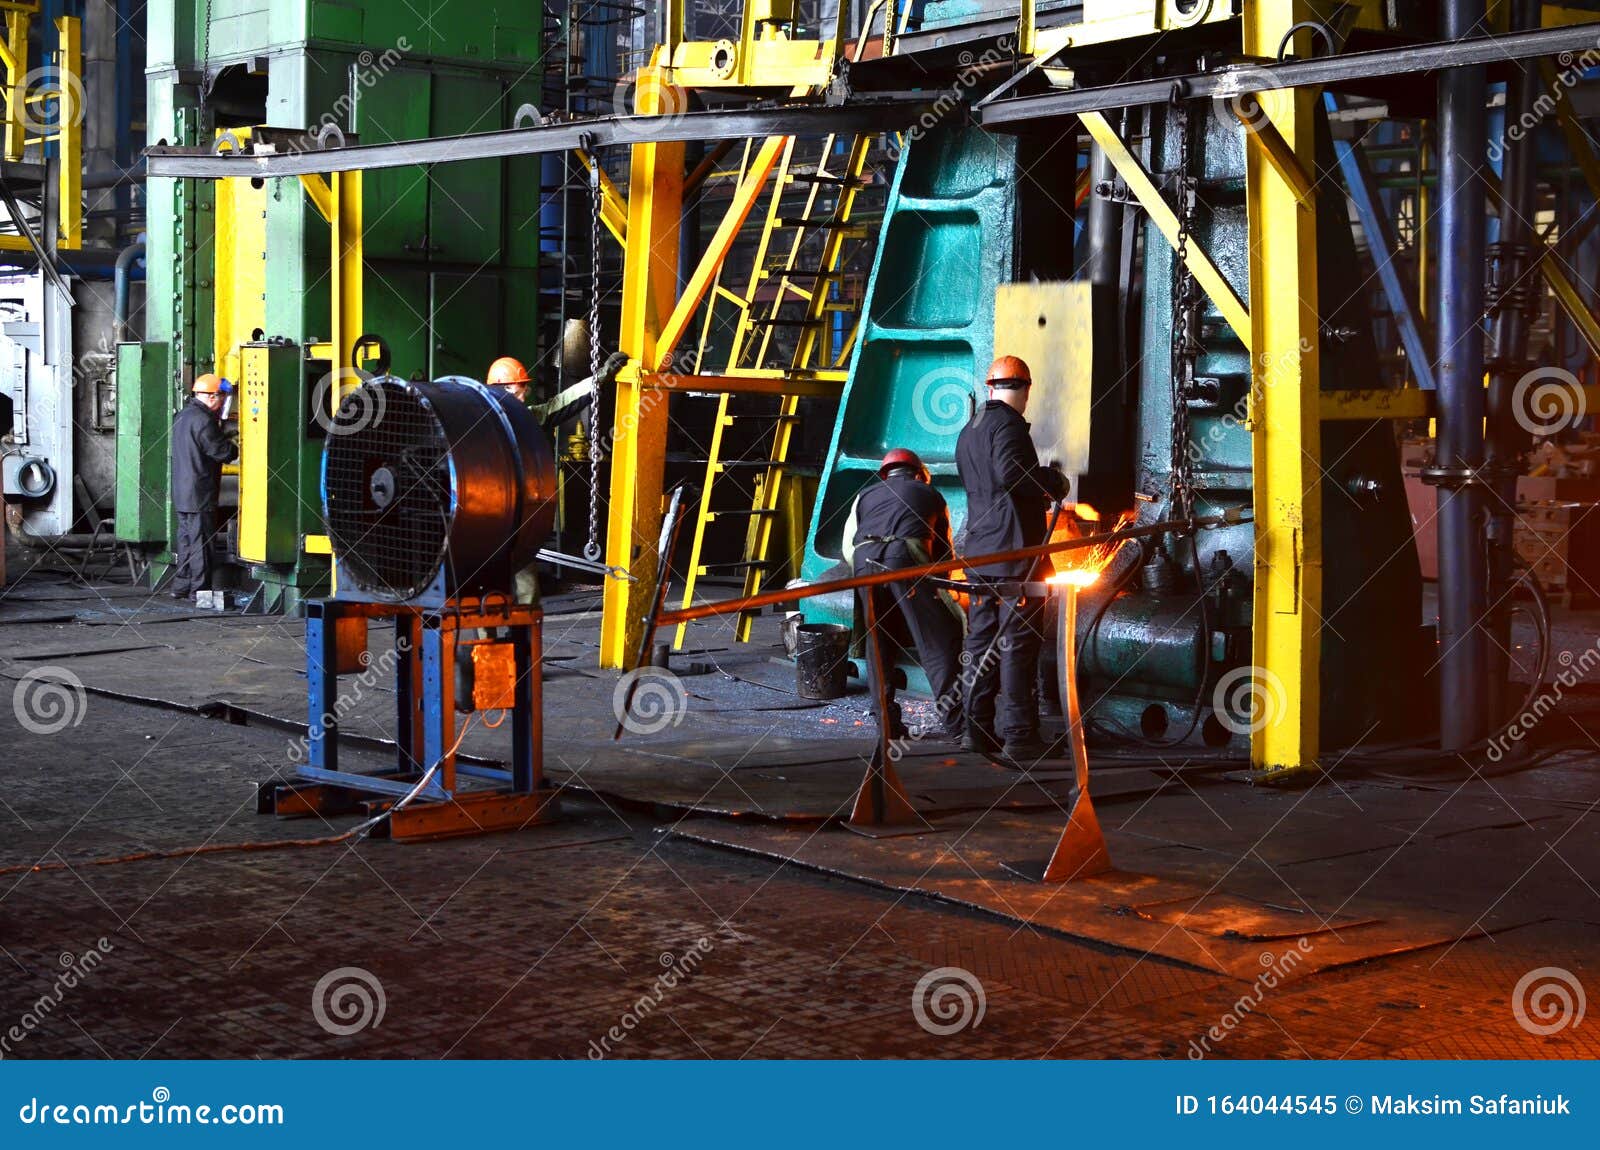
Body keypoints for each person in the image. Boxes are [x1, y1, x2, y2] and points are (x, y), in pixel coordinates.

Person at [955, 354, 1068, 764]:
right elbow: (1010, 474)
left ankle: (977, 731)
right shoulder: (1008, 425)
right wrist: (1050, 481)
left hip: (980, 554)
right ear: (1024, 389)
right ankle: (1020, 737)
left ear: (990, 386)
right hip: (1015, 555)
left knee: (981, 642)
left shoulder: (970, 429)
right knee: (1018, 644)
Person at [845, 448, 964, 742]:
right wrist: (936, 596)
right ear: (918, 474)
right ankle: (958, 726)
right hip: (905, 556)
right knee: (938, 639)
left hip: (864, 562)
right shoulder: (931, 494)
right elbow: (944, 555)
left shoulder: (866, 495)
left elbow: (848, 546)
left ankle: (886, 724)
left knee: (878, 643)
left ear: (887, 474)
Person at [168, 373, 237, 600]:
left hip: (183, 492)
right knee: (201, 544)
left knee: (186, 541)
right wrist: (234, 444)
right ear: (211, 397)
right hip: (199, 493)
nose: (221, 403)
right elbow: (221, 452)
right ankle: (200, 591)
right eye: (221, 398)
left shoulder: (183, 416)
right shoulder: (203, 420)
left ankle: (181, 586)